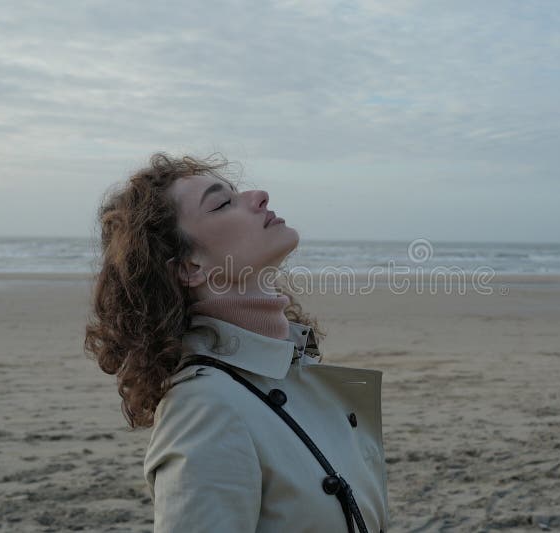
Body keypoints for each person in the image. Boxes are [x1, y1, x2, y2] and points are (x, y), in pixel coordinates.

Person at [84, 152, 390, 532]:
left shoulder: (291, 362)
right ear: (189, 267)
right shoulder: (205, 408)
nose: (259, 196)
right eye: (223, 203)